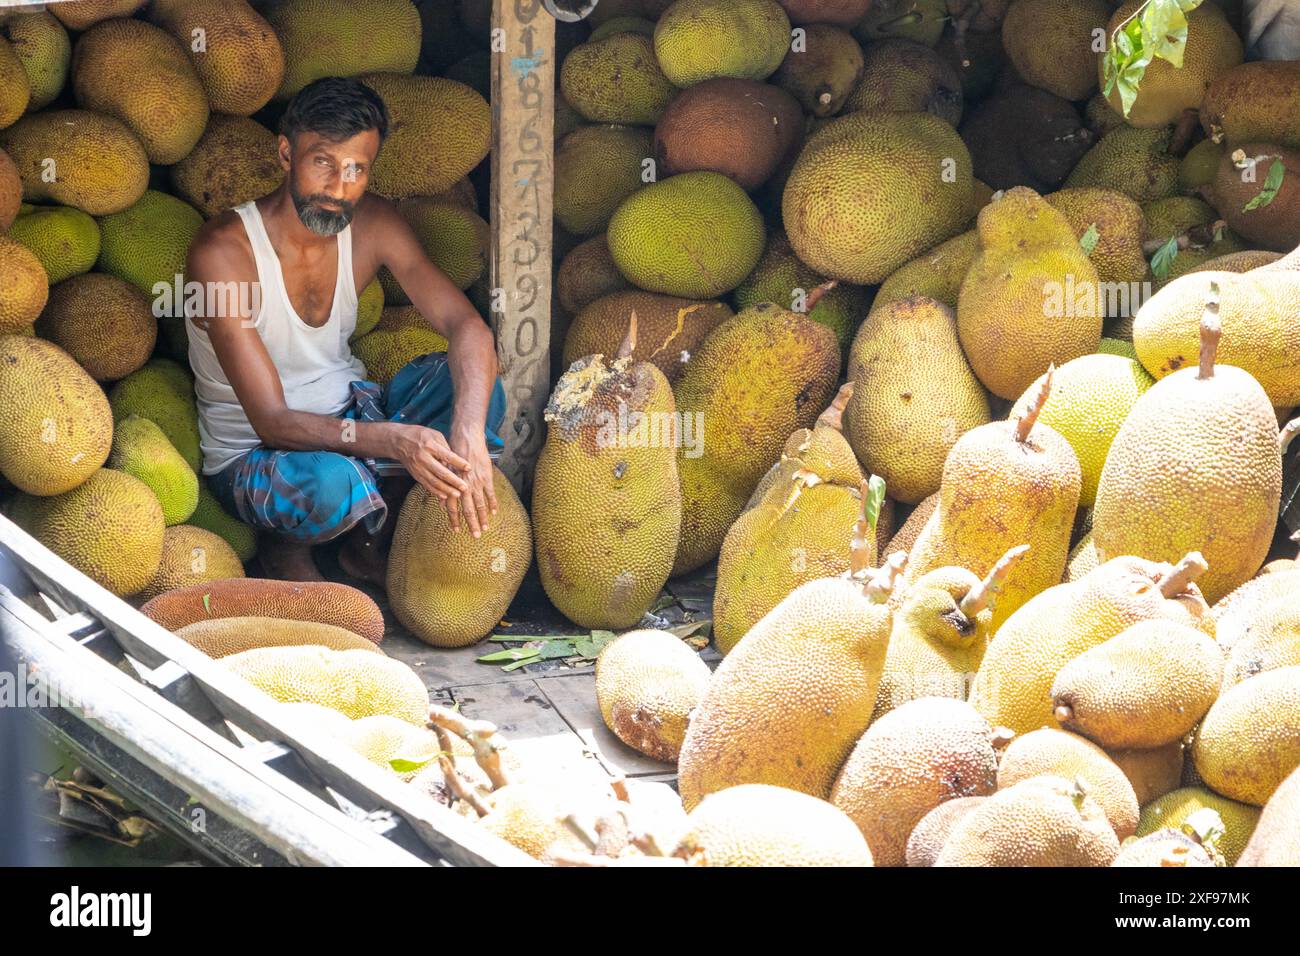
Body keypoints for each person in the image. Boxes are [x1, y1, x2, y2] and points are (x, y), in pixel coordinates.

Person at [185, 77, 506, 584]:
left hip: (353, 417)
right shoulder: (223, 253)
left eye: (357, 169)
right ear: (286, 154)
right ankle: (284, 543)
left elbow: (466, 326)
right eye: (323, 163)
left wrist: (465, 429)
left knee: (472, 384)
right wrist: (395, 442)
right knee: (331, 485)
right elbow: (271, 421)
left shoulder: (374, 223)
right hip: (262, 455)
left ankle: (367, 543)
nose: (339, 188)